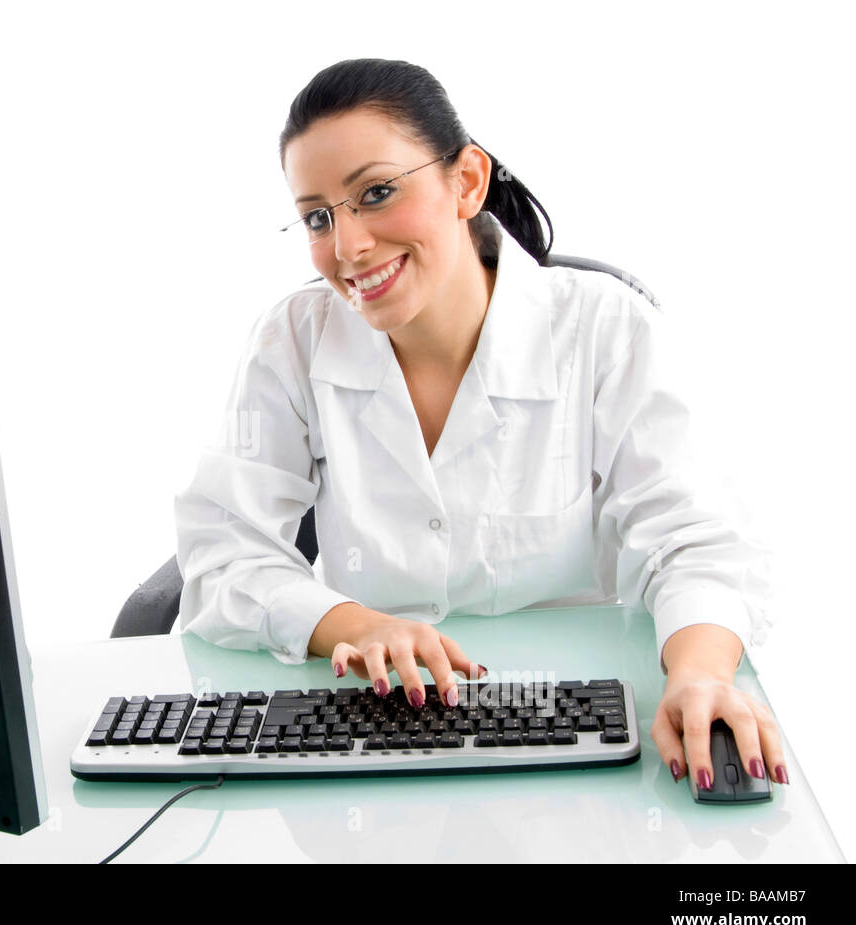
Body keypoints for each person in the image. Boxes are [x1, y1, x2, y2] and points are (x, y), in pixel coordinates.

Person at [173, 58, 783, 792]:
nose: (349, 247)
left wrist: (698, 676)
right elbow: (222, 553)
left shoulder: (604, 328)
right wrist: (357, 624)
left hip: (577, 731)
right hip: (375, 727)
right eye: (318, 217)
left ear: (465, 181)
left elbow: (695, 538)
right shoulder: (293, 340)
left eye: (376, 194)